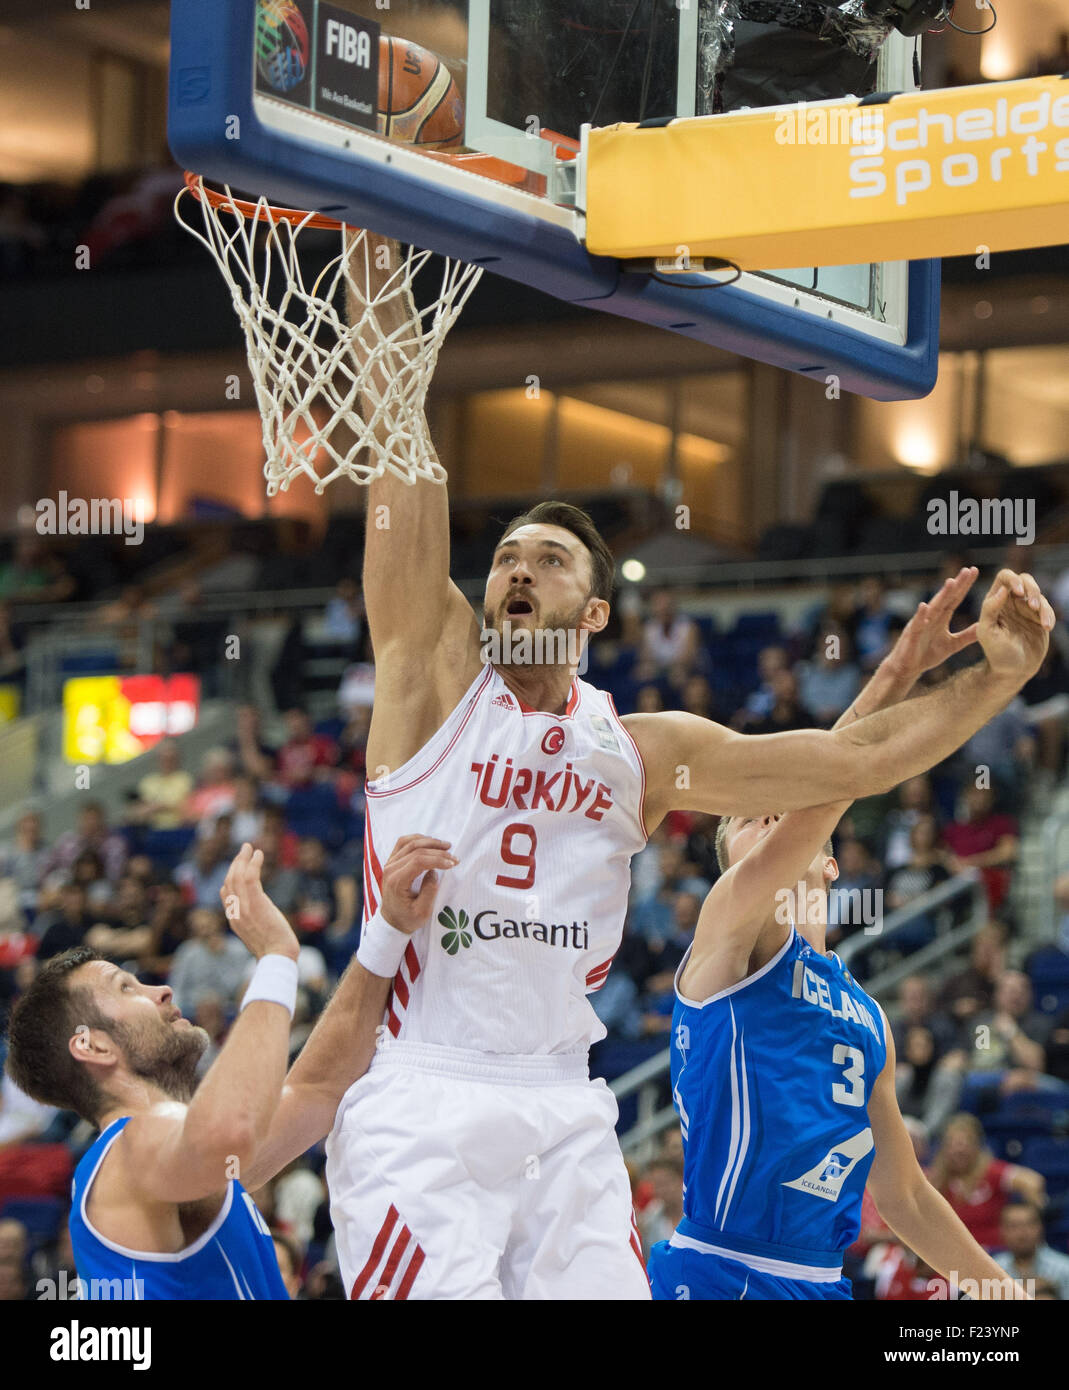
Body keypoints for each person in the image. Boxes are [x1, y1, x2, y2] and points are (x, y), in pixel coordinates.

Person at [314, 235, 1055, 1302]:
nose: (518, 568)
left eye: (550, 559)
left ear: (596, 611)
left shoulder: (646, 749)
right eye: (507, 556)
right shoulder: (429, 680)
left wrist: (997, 674)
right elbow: (400, 446)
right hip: (428, 1087)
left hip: (565, 1106)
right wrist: (376, 274)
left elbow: (848, 761)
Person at [647, 575, 1033, 1300]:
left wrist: (999, 1292)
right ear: (731, 861)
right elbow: (824, 783)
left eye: (779, 810)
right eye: (742, 817)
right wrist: (902, 680)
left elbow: (906, 1197)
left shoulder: (867, 1016)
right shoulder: (729, 936)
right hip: (716, 1268)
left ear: (830, 861)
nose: (765, 810)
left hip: (819, 1282)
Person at [4, 839, 442, 1299]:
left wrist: (388, 930)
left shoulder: (187, 1166)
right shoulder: (130, 1151)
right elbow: (229, 1129)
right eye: (128, 987)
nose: (163, 990)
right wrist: (274, 956)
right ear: (93, 1046)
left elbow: (319, 1087)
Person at [927, 1113, 1045, 1251]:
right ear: (943, 1148)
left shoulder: (991, 1172)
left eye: (965, 1143)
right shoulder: (935, 1180)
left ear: (977, 1146)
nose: (959, 1150)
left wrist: (1032, 1216)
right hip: (953, 1253)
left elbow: (1033, 1181)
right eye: (952, 1144)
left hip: (993, 1254)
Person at [992, 1201, 1069, 1299]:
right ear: (1002, 1231)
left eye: (1029, 1224)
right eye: (1013, 1226)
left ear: (1041, 1228)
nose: (1022, 1233)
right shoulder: (992, 1268)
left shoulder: (1065, 1268)